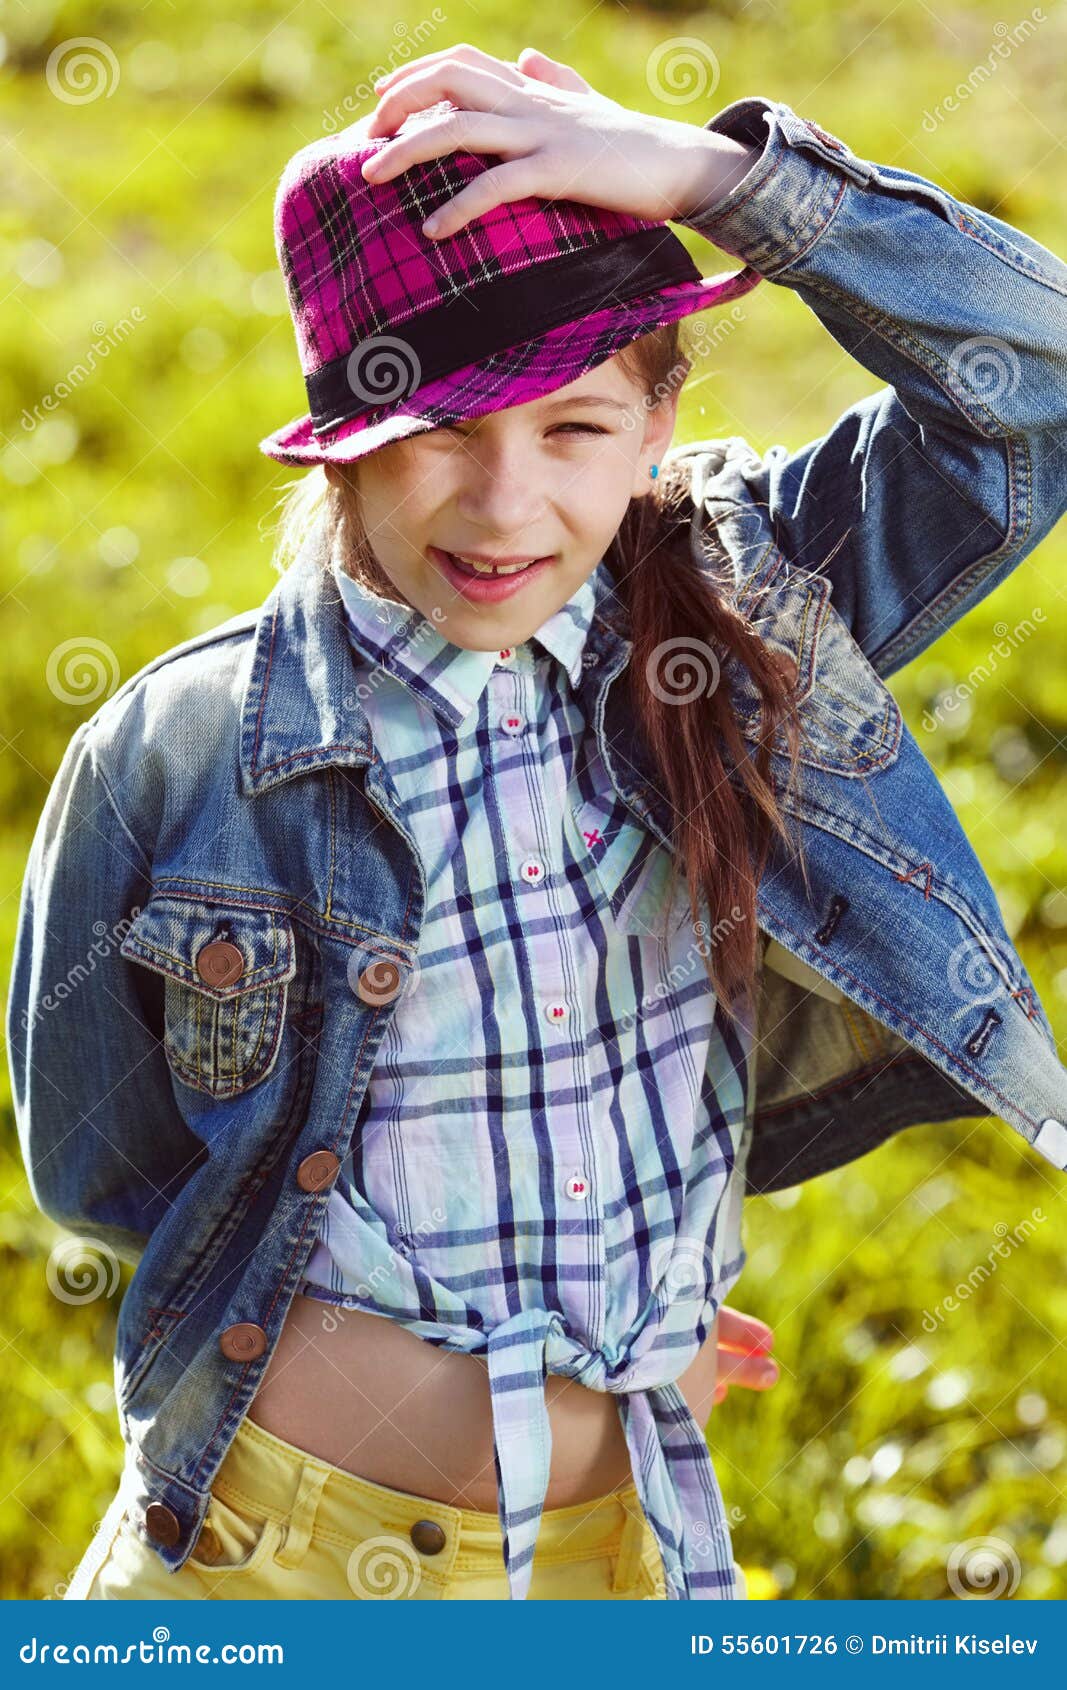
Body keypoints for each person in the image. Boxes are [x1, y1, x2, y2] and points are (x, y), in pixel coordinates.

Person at [10, 44, 1067, 1603]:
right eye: (438, 429)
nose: (507, 508)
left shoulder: (746, 621)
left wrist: (715, 180)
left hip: (623, 1550)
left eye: (574, 430)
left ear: (657, 423)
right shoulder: (177, 755)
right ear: (341, 435)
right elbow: (102, 1154)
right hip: (265, 1553)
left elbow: (1029, 380)